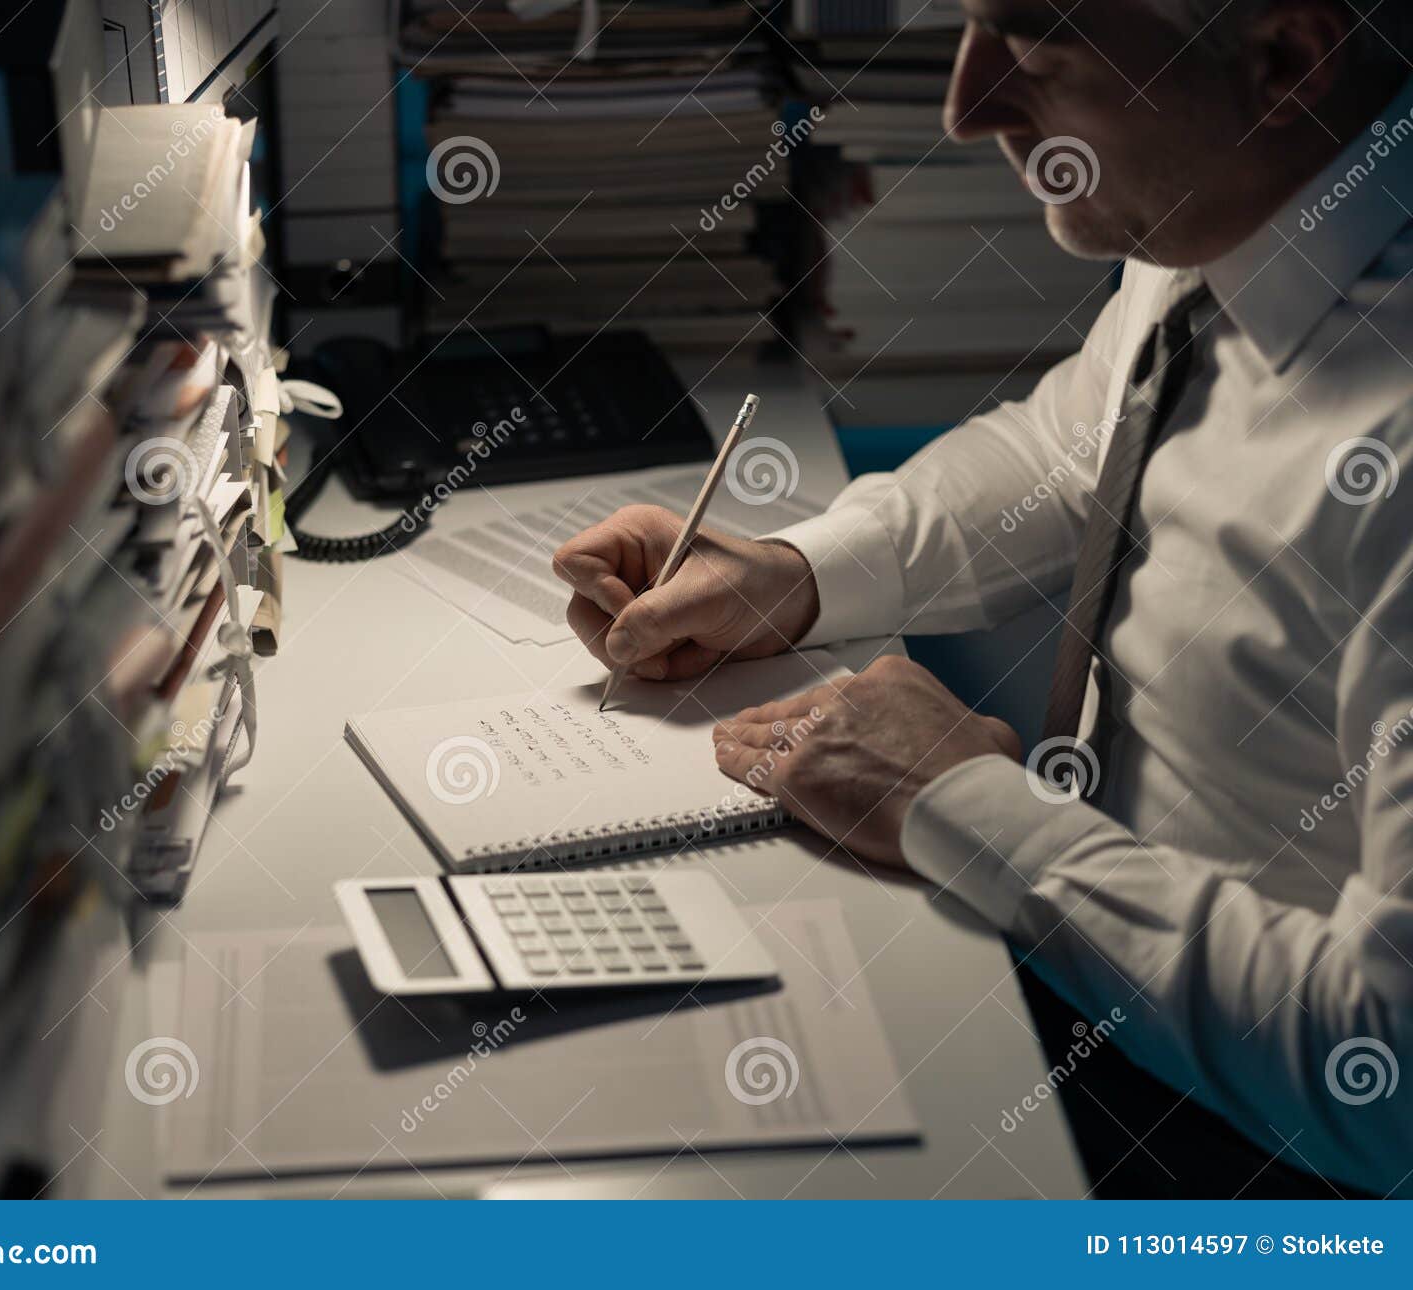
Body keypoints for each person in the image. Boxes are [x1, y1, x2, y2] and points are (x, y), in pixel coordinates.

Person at [552, 0, 1413, 1196]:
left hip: (1262, 1168)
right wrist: (795, 575)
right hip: (1078, 997)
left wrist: (960, 803)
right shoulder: (1238, 215)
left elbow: (1388, 1082)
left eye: (1039, 57)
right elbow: (1076, 449)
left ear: (1282, 62)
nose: (967, 106)